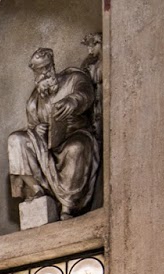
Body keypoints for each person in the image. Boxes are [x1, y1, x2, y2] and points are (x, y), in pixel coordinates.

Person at [6, 47, 100, 217]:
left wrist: (73, 101)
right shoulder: (34, 100)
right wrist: (37, 130)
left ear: (53, 66)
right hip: (47, 146)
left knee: (76, 148)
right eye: (39, 71)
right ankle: (36, 191)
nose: (44, 74)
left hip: (75, 134)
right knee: (16, 139)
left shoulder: (73, 79)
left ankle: (68, 206)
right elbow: (32, 126)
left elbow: (86, 94)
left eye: (47, 68)